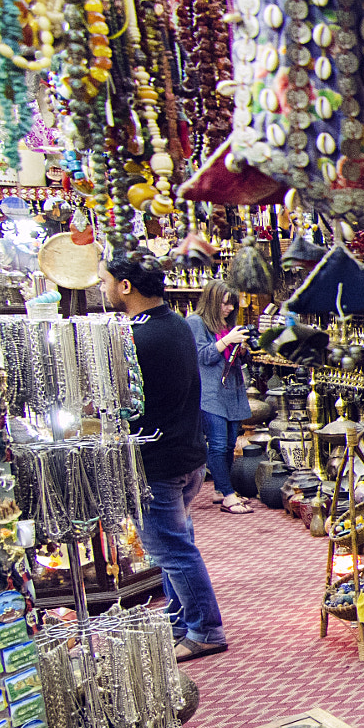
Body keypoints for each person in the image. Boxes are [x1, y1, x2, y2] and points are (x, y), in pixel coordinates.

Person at [105, 250, 230, 660]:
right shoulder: (175, 323)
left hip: (158, 461)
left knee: (173, 551)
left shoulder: (137, 338)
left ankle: (205, 629)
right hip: (185, 453)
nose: (104, 289)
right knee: (177, 544)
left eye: (106, 282)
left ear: (126, 286)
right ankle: (181, 621)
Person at [189, 282, 254, 514]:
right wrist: (227, 341)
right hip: (210, 392)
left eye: (232, 304)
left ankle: (220, 489)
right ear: (212, 301)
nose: (229, 308)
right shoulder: (196, 322)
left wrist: (242, 349)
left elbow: (237, 360)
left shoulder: (227, 324)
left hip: (231, 391)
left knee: (229, 444)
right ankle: (228, 495)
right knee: (217, 443)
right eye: (225, 303)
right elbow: (201, 356)